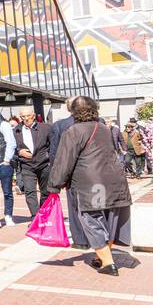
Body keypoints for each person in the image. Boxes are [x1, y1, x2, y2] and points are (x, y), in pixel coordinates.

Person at [46, 96, 133, 277]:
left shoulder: (73, 131)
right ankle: (102, 256)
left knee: (92, 220)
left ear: (73, 111)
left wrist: (53, 185)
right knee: (110, 220)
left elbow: (64, 161)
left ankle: (108, 263)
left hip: (91, 184)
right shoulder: (104, 128)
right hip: (115, 180)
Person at [48, 97, 88, 249]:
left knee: (75, 207)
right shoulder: (99, 123)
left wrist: (56, 178)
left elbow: (54, 154)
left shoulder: (60, 125)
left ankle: (80, 240)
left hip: (71, 173)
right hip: (94, 172)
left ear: (68, 108)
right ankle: (97, 238)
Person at [13, 106, 51, 219]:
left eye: (28, 116)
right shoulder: (16, 130)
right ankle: (35, 216)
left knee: (45, 192)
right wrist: (19, 152)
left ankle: (43, 215)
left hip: (44, 164)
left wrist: (47, 156)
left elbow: (53, 144)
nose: (26, 119)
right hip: (27, 165)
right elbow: (10, 147)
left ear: (33, 116)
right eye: (23, 117)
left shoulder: (46, 128)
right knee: (30, 191)